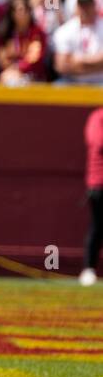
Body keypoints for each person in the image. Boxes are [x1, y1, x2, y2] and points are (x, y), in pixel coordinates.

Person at [83, 108, 103, 287]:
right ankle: (89, 268)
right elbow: (98, 142)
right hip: (99, 182)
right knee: (98, 226)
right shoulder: (98, 117)